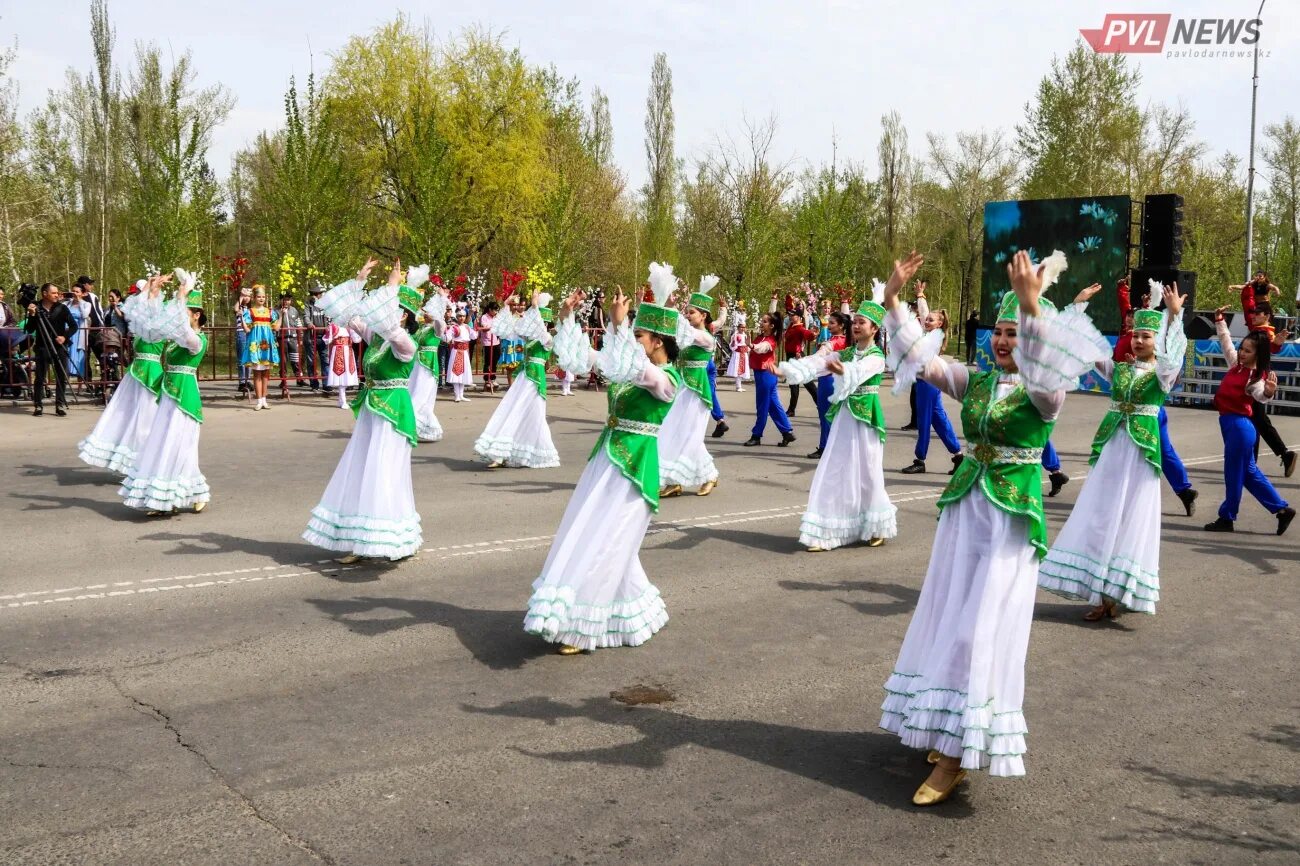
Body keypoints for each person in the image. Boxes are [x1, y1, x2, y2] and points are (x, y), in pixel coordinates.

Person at [881, 249, 1108, 805]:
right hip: (965, 515)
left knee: (979, 628)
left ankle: (958, 753)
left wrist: (1033, 311)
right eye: (1001, 331)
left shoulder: (1044, 392)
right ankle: (947, 728)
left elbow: (1045, 379)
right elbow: (922, 360)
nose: (1005, 341)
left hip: (1009, 522)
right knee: (947, 615)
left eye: (1015, 332)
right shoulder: (977, 381)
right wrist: (892, 300)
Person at [526, 270, 681, 655]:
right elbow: (583, 358)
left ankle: (581, 626)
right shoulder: (627, 366)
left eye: (640, 335)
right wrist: (566, 317)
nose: (633, 340)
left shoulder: (668, 378)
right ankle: (630, 611)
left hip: (634, 467)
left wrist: (619, 325)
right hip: (606, 459)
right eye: (635, 335)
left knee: (610, 539)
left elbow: (641, 369)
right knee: (596, 533)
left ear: (657, 341)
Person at [1038, 283, 1186, 620]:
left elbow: (1172, 360)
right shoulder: (1119, 370)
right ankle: (1100, 593)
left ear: (1157, 341)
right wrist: (1077, 309)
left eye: (1147, 337)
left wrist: (1173, 317)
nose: (1138, 340)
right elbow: (1088, 351)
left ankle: (1118, 592)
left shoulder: (1162, 376)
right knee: (1102, 514)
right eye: (1136, 335)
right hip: (1112, 452)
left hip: (1140, 456)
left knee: (1131, 517)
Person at [304, 258, 423, 563]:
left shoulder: (404, 343)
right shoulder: (376, 338)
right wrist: (358, 282)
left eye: (395, 307)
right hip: (373, 411)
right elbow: (349, 316)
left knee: (384, 473)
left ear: (403, 315)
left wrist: (394, 287)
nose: (387, 310)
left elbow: (390, 326)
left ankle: (389, 540)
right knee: (363, 470)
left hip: (393, 416)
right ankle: (362, 538)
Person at [779, 283, 896, 550]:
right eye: (854, 322)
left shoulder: (877, 356)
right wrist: (788, 369)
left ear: (874, 329)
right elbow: (818, 363)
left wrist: (841, 369)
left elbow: (858, 371)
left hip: (866, 420)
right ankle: (826, 532)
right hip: (845, 416)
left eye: (862, 323)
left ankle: (875, 524)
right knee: (835, 467)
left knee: (867, 472)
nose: (855, 326)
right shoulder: (845, 352)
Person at [119, 271, 211, 515]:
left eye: (185, 313)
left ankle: (180, 496)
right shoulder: (176, 339)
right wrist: (151, 293)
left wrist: (181, 294)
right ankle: (169, 498)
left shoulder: (197, 340)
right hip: (169, 395)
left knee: (180, 446)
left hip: (185, 399)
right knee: (162, 444)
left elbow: (182, 330)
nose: (179, 317)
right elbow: (150, 324)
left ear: (197, 315)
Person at [1203, 306, 1295, 536]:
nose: (1242, 353)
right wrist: (1219, 319)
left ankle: (1227, 517)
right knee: (1249, 473)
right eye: (1242, 348)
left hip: (1240, 429)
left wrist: (1270, 392)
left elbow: (1261, 396)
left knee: (1234, 475)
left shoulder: (1256, 379)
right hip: (1231, 427)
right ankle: (1282, 510)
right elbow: (1225, 341)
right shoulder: (1236, 365)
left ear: (1258, 354)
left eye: (1247, 351)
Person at [1114, 278, 1199, 515]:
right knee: (1153, 451)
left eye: (1135, 314)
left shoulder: (1149, 338)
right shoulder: (1129, 335)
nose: (1131, 318)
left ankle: (1179, 491)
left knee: (1158, 451)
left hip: (1148, 404)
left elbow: (1166, 350)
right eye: (1130, 315)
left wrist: (1173, 314)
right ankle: (1181, 490)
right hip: (1130, 394)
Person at [78, 277, 169, 473]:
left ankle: (143, 461)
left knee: (145, 419)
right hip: (137, 374)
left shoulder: (157, 325)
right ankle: (135, 461)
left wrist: (154, 289)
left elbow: (149, 309)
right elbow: (140, 309)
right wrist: (152, 288)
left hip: (150, 375)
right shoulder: (143, 323)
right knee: (128, 415)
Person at [474, 291, 560, 469]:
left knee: (533, 416)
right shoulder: (528, 339)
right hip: (523, 377)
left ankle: (531, 452)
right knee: (512, 410)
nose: (535, 324)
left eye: (540, 322)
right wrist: (506, 306)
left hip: (535, 381)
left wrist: (535, 306)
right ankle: (501, 452)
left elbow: (541, 331)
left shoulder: (548, 339)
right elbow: (508, 329)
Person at [659, 275, 722, 498]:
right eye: (687, 312)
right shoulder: (687, 335)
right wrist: (666, 305)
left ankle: (710, 475)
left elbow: (687, 332)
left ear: (703, 315)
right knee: (672, 432)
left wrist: (673, 310)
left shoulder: (705, 338)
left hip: (697, 391)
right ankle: (674, 481)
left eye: (691, 312)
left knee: (690, 436)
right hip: (680, 388)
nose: (688, 315)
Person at [900, 295, 963, 476]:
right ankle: (958, 455)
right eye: (926, 319)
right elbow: (923, 315)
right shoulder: (929, 334)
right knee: (940, 420)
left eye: (930, 320)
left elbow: (923, 315)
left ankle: (920, 460)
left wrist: (921, 299)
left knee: (924, 421)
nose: (926, 320)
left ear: (939, 324)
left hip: (927, 383)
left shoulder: (935, 336)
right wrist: (920, 298)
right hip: (928, 383)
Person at [1241, 301, 1296, 476]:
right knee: (1259, 421)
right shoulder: (1258, 330)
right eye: (1253, 312)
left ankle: (1256, 461)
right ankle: (1282, 454)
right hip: (1253, 379)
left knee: (1256, 421)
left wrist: (1277, 344)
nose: (1254, 315)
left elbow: (1268, 348)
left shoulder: (1265, 332)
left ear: (1267, 316)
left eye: (1258, 313)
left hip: (1256, 381)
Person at [742, 311, 796, 447]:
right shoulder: (760, 337)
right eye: (762, 320)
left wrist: (752, 346)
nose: (762, 322)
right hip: (763, 375)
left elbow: (761, 349)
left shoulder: (770, 340)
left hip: (766, 375)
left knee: (762, 406)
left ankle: (756, 435)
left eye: (765, 321)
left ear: (772, 326)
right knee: (773, 406)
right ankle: (787, 432)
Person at [23, 283, 76, 416]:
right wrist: (32, 314)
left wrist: (64, 337)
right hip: (42, 347)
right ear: (44, 294)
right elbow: (29, 329)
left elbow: (73, 326)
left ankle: (59, 405)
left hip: (59, 347)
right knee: (40, 378)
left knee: (61, 377)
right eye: (54, 293)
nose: (57, 295)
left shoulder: (62, 308)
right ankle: (38, 405)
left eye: (57, 293)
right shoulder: (36, 307)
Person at [406, 266, 444, 443]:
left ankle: (409, 425)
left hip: (429, 367)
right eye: (426, 312)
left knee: (422, 396)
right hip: (416, 364)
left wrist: (441, 301)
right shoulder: (420, 330)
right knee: (414, 393)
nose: (426, 314)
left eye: (429, 312)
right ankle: (425, 427)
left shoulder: (436, 330)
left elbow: (441, 324)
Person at [807, 310, 850, 459]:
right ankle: (834, 446)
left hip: (828, 381)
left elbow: (821, 354)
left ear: (841, 325)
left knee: (825, 415)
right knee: (835, 415)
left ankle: (825, 447)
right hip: (838, 380)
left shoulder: (834, 342)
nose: (829, 325)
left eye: (832, 323)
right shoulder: (847, 341)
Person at [240, 285, 280, 410]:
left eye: (263, 296)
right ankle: (258, 400)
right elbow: (247, 329)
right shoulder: (250, 311)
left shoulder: (270, 311)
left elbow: (276, 327)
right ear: (254, 297)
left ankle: (264, 399)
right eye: (259, 296)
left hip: (267, 345)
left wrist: (282, 316)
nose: (261, 299)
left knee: (266, 374)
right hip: (256, 345)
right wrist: (241, 317)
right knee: (257, 373)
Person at [782, 311, 819, 415]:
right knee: (794, 384)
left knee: (808, 383)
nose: (790, 317)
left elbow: (807, 335)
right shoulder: (791, 326)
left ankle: (821, 405)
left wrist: (813, 335)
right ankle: (791, 410)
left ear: (799, 317)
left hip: (797, 356)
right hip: (791, 357)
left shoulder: (800, 328)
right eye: (789, 315)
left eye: (792, 315)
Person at [325, 320, 360, 408]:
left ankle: (341, 400)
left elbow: (356, 340)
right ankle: (343, 400)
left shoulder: (350, 325)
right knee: (340, 375)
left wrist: (354, 329)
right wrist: (331, 331)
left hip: (348, 351)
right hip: (338, 351)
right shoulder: (334, 325)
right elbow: (327, 340)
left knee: (346, 375)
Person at [304, 283, 330, 390]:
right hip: (311, 337)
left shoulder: (325, 305)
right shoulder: (308, 305)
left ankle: (326, 383)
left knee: (325, 360)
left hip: (323, 337)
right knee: (311, 361)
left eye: (318, 294)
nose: (316, 296)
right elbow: (306, 316)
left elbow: (329, 317)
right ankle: (314, 383)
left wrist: (329, 326)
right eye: (315, 294)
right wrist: (309, 324)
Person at [446, 310, 476, 402]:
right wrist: (446, 332)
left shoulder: (467, 327)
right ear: (457, 317)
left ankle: (461, 395)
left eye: (463, 316)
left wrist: (476, 326)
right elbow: (448, 337)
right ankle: (456, 395)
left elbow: (474, 336)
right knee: (456, 372)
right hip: (456, 351)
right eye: (459, 316)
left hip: (465, 352)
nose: (461, 318)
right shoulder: (454, 327)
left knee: (464, 372)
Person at [64, 284, 90, 384]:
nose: (74, 293)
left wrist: (79, 301)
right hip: (68, 333)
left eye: (77, 292)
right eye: (73, 291)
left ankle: (80, 386)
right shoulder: (67, 304)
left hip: (79, 334)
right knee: (66, 358)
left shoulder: (86, 304)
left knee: (79, 360)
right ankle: (65, 384)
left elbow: (84, 315)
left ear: (82, 294)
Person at [279, 294, 307, 386]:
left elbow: (299, 325)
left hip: (293, 339)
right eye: (284, 300)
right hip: (281, 339)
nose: (286, 302)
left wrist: (301, 338)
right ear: (280, 300)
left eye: (288, 300)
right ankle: (283, 381)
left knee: (296, 360)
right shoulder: (276, 311)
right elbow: (274, 326)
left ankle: (299, 379)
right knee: (283, 361)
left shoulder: (294, 310)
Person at [478, 299, 502, 393]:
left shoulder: (497, 317)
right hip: (488, 342)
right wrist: (491, 327)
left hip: (496, 341)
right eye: (494, 310)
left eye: (497, 310)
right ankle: (487, 379)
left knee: (495, 360)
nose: (496, 312)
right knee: (488, 361)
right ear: (490, 309)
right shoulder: (484, 317)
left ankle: (493, 378)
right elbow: (484, 328)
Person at [233, 287, 252, 394]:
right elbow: (235, 309)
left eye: (248, 296)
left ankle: (247, 380)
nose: (247, 298)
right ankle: (241, 382)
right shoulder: (239, 308)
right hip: (241, 333)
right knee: (241, 359)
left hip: (250, 333)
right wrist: (240, 297)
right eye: (245, 296)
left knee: (249, 358)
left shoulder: (250, 310)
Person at [725, 316, 751, 390]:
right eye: (741, 327)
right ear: (738, 328)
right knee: (737, 369)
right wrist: (735, 346)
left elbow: (747, 344)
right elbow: (732, 345)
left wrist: (747, 348)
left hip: (744, 354)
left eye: (744, 327)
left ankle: (739, 385)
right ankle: (738, 386)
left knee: (742, 369)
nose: (742, 329)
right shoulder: (735, 335)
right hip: (738, 354)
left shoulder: (745, 335)